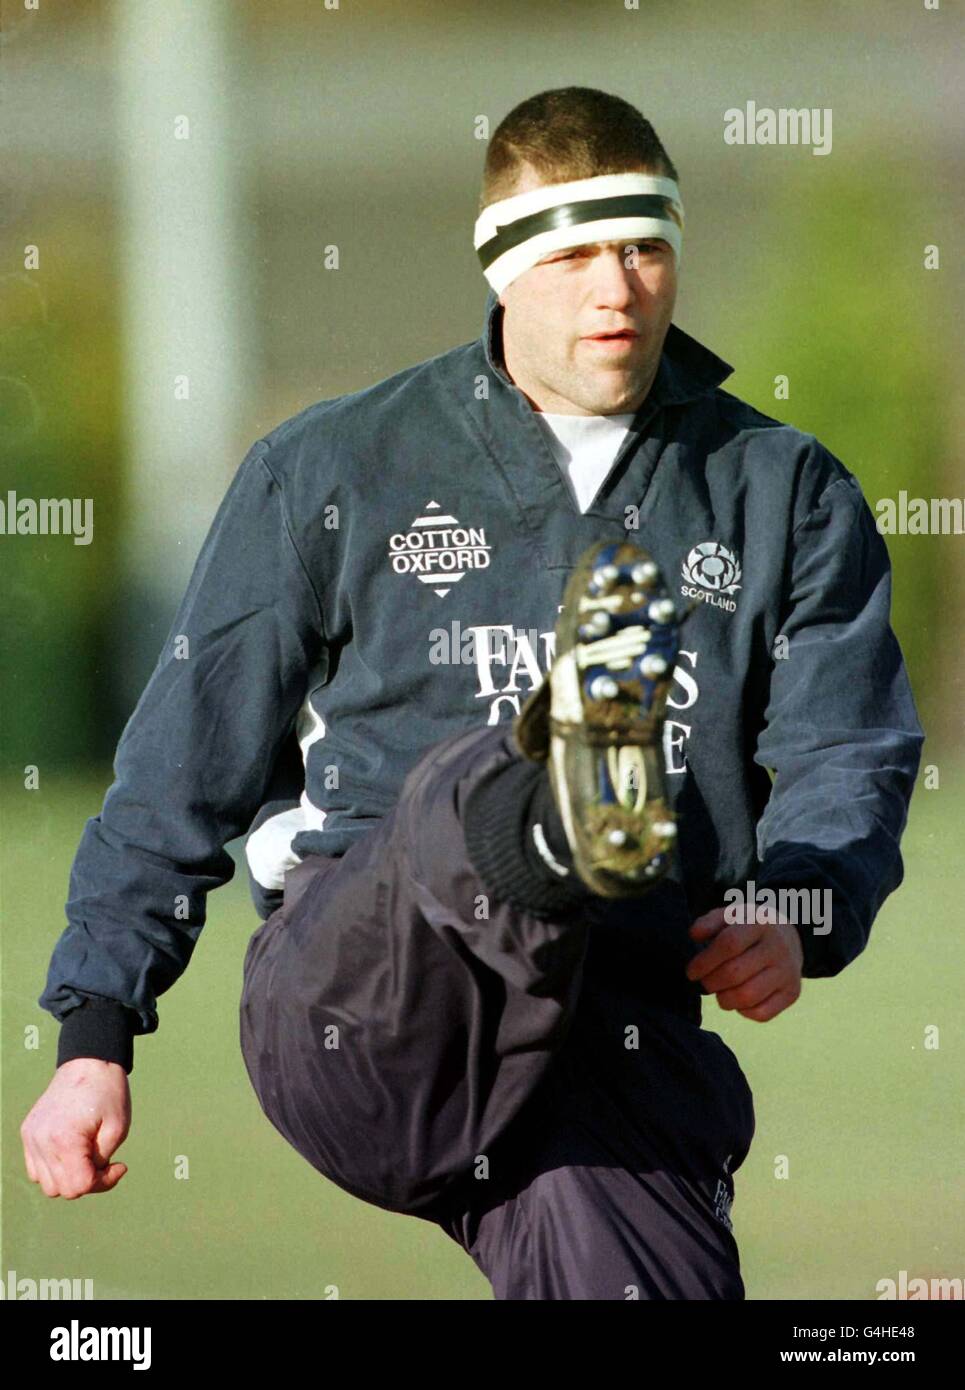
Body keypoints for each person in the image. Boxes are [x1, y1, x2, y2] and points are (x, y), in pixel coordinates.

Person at [22, 87, 924, 1300]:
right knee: (456, 802)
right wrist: (93, 1036)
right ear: (503, 267)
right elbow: (181, 770)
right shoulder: (332, 465)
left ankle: (565, 801)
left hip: (612, 1029)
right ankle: (549, 795)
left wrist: (798, 904)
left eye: (645, 246)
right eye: (572, 253)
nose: (617, 287)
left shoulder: (780, 489)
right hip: (369, 1000)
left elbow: (847, 755)